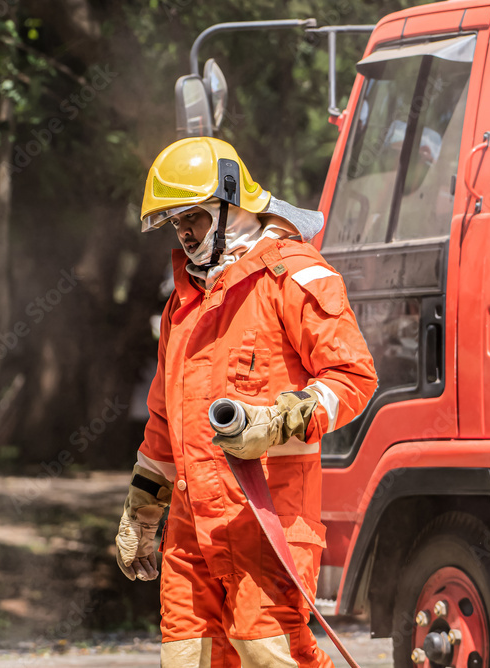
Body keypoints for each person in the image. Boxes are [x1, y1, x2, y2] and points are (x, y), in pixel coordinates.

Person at [114, 136, 378, 668]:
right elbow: (165, 424)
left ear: (231, 205)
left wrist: (278, 421)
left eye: (193, 217)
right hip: (191, 534)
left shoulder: (293, 275)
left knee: (270, 655)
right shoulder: (183, 305)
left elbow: (353, 376)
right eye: (175, 223)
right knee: (189, 658)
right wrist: (144, 508)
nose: (184, 233)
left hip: (267, 520)